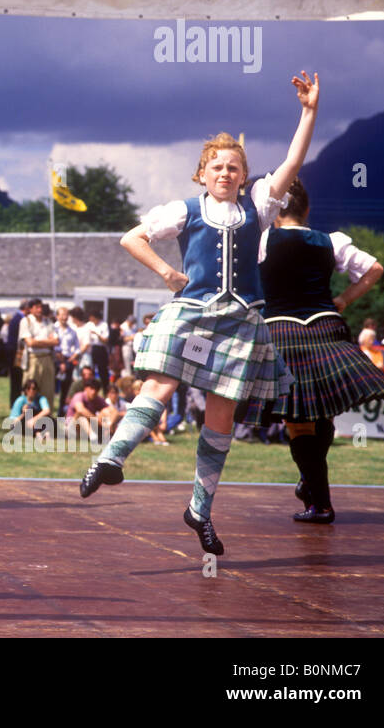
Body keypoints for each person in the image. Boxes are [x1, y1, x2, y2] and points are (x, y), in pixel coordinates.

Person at [80, 71, 319, 556]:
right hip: (194, 317)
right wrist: (168, 274)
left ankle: (199, 509)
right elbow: (132, 238)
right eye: (217, 167)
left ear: (244, 175)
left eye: (234, 167)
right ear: (202, 175)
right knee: (160, 384)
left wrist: (309, 110)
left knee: (221, 414)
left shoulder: (259, 204)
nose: (226, 173)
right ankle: (111, 458)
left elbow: (293, 162)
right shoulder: (185, 209)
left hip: (240, 321)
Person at [258, 178, 384, 523]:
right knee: (322, 412)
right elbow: (375, 269)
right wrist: (342, 300)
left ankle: (319, 500)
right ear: (307, 210)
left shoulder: (261, 240)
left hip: (281, 332)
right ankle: (312, 486)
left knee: (298, 421)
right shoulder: (330, 241)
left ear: (275, 214)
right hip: (327, 327)